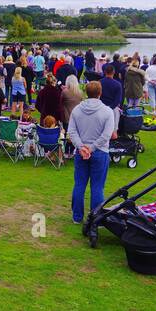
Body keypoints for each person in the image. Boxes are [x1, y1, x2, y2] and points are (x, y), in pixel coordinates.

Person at [67, 80, 117, 224]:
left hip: (84, 151)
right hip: (99, 152)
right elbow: (107, 135)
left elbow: (72, 131)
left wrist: (82, 147)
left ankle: (77, 217)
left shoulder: (77, 110)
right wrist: (88, 147)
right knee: (97, 187)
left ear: (86, 92)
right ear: (100, 93)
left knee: (80, 184)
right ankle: (95, 218)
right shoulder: (107, 111)